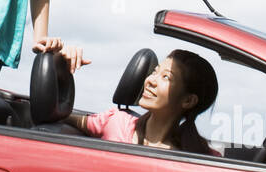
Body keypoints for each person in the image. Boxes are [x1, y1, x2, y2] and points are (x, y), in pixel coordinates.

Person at [58, 47, 221, 154]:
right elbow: (55, 113)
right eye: (155, 72)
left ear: (188, 100)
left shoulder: (204, 159)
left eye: (165, 77)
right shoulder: (116, 122)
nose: (150, 80)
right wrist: (59, 61)